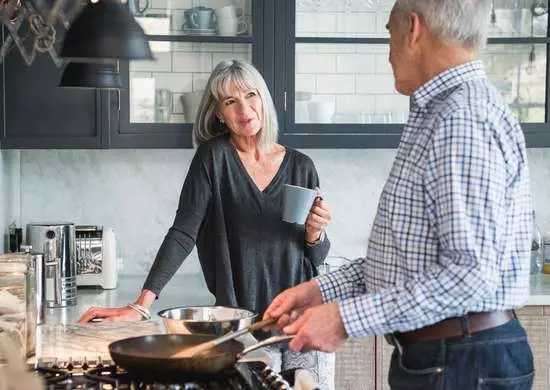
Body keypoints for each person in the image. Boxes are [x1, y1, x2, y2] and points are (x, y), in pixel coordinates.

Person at [264, 1, 534, 389]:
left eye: (388, 31)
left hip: (462, 362)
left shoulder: (462, 118)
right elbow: (410, 260)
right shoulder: (441, 112)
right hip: (447, 357)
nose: (388, 49)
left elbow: (469, 275)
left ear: (413, 28)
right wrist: (320, 290)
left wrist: (344, 319)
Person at [78, 59, 335, 388]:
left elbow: (314, 257)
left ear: (264, 99)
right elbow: (184, 232)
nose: (245, 108)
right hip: (242, 329)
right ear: (219, 113)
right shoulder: (214, 159)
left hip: (302, 320)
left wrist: (317, 233)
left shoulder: (302, 166)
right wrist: (140, 306)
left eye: (251, 95)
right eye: (231, 101)